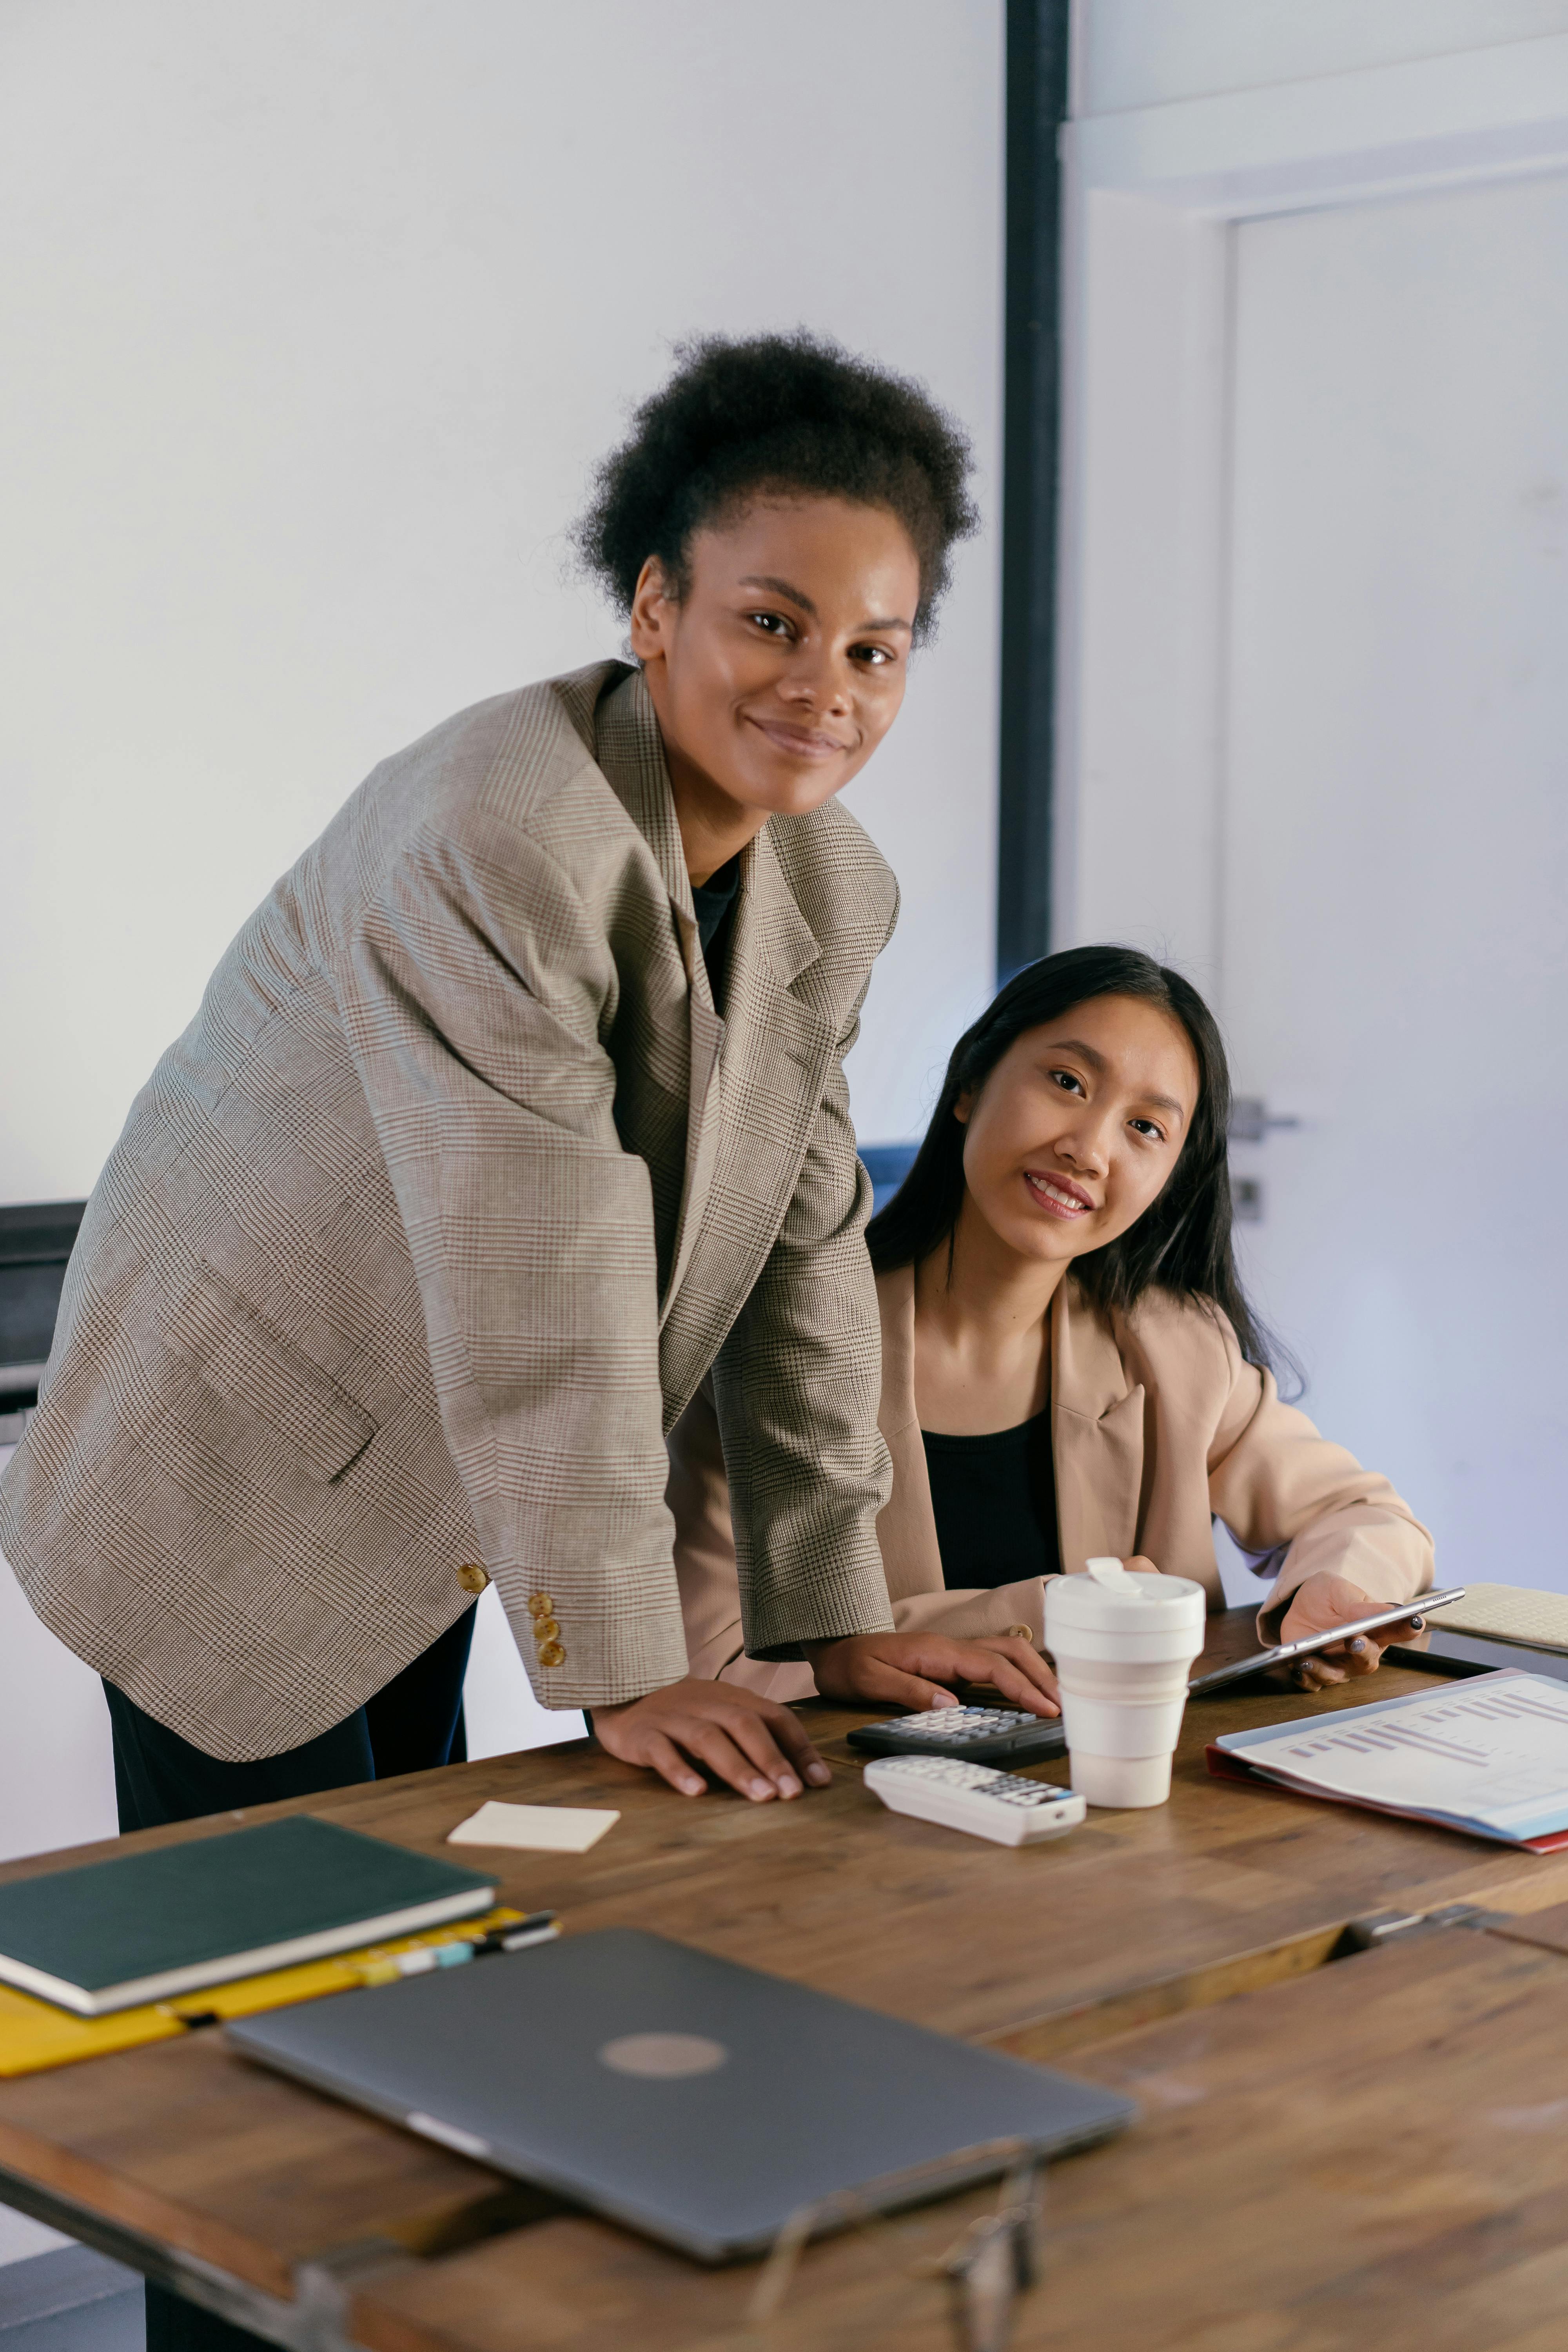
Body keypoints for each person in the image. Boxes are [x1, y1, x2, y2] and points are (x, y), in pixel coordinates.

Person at [0, 329, 1059, 1862]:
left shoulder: (834, 886)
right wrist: (626, 1670)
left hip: (426, 1461)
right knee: (278, 1940)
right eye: (773, 622)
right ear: (655, 606)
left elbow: (802, 1246)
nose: (821, 687)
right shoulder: (499, 834)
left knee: (405, 1913)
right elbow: (539, 1263)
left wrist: (833, 1616)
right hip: (231, 1444)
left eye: (871, 651)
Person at [670, 945, 1434, 1702]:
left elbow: (1365, 1517)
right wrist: (1052, 1613)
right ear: (970, 1083)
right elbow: (714, 1659)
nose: (1088, 1150)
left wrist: (1330, 1588)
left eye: (1145, 1128)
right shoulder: (778, 1342)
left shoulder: (1175, 1348)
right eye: (1067, 1082)